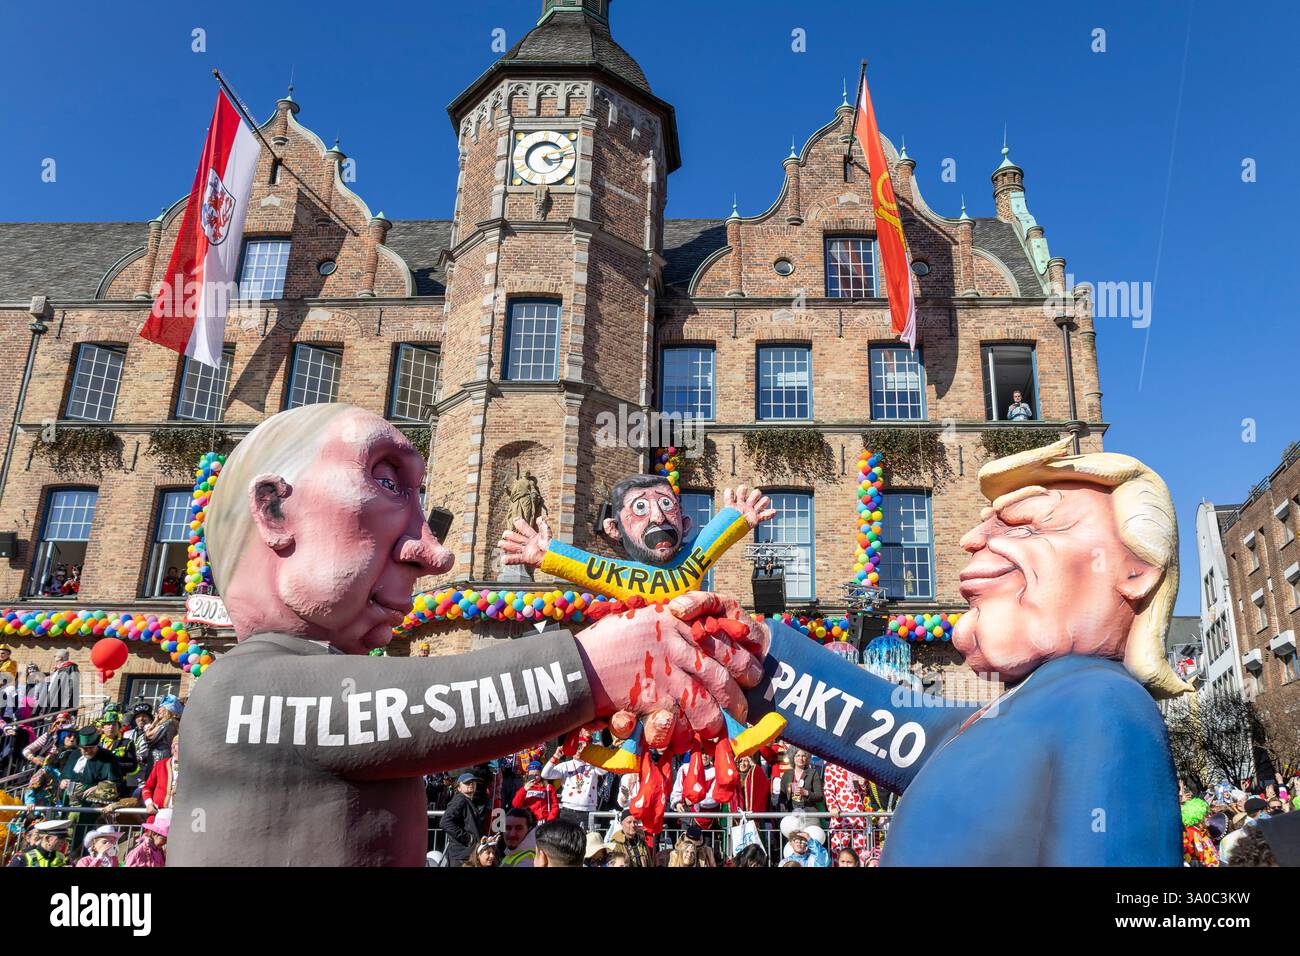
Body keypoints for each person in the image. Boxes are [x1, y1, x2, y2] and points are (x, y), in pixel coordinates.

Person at [170, 405, 756, 866]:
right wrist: (601, 662)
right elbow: (440, 700)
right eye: (387, 482)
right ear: (274, 512)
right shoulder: (239, 692)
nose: (436, 553)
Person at [733, 437, 1192, 865]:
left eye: (1028, 528)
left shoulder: (1105, 706)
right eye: (986, 525)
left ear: (1135, 573)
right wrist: (733, 643)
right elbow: (870, 719)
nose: (972, 540)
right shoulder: (994, 717)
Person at [542, 743, 608, 829]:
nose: (578, 750)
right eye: (575, 747)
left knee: (587, 841)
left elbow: (604, 770)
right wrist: (556, 756)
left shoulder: (592, 765)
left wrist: (597, 754)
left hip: (588, 812)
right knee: (566, 841)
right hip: (568, 811)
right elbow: (545, 774)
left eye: (581, 747)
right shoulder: (565, 765)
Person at [442, 772, 490, 868]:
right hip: (461, 856)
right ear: (459, 788)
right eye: (467, 782)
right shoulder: (460, 800)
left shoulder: (467, 801)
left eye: (473, 782)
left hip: (466, 854)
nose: (471, 784)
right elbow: (445, 822)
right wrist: (468, 839)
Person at [824, 761, 870, 856]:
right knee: (838, 851)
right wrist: (832, 806)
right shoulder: (831, 767)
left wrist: (863, 784)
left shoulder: (855, 766)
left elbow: (863, 793)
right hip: (841, 816)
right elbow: (828, 790)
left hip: (859, 815)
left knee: (861, 851)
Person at [141, 734, 179, 823]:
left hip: (181, 818)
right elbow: (147, 787)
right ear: (173, 747)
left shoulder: (193, 768)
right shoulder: (160, 765)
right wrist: (149, 803)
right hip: (157, 815)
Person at [775, 748, 823, 814]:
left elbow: (820, 796)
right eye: (798, 755)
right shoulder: (786, 774)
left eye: (803, 756)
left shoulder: (813, 773)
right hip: (790, 811)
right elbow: (782, 796)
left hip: (808, 812)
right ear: (793, 758)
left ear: (807, 758)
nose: (800, 758)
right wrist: (782, 804)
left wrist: (806, 792)